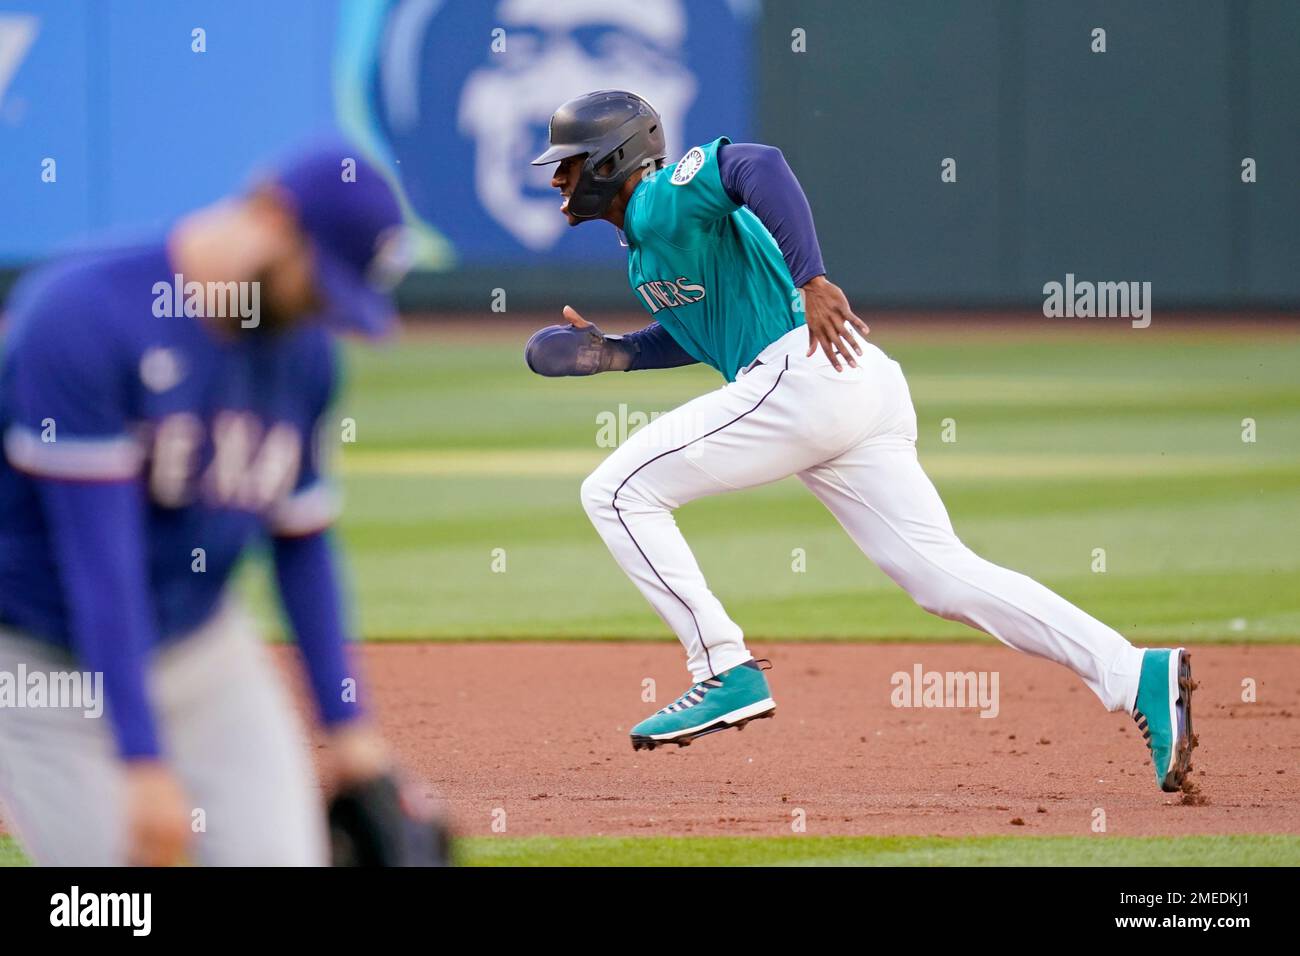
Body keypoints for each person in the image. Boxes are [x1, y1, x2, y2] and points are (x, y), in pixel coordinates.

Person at [524, 90, 1194, 793]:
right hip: (848, 384)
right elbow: (704, 331)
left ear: (610, 160)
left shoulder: (663, 197)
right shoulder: (644, 250)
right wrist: (618, 353)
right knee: (940, 576)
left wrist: (812, 276)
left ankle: (722, 667)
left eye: (566, 164)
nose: (554, 180)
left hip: (803, 375)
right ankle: (1132, 672)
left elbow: (760, 163)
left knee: (616, 492)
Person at [0, 142, 415, 865]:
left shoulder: (302, 353)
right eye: (318, 283)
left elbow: (302, 541)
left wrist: (350, 729)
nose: (321, 309)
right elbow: (100, 566)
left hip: (200, 647)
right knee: (111, 894)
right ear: (270, 215)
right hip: (41, 657)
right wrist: (143, 763)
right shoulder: (80, 316)